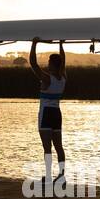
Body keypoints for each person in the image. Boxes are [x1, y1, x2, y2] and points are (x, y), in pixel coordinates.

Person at [29, 38, 66, 188]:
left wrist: (34, 43)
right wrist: (61, 44)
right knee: (59, 146)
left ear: (52, 64)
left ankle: (49, 176)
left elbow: (32, 63)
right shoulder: (63, 77)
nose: (47, 63)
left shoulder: (47, 78)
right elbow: (63, 62)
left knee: (47, 147)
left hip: (46, 113)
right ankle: (62, 175)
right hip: (57, 113)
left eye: (49, 61)